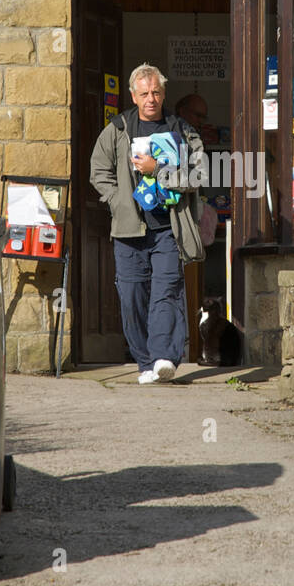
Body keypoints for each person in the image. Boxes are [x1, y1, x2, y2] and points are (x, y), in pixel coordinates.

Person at [90, 64, 207, 384]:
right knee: (132, 295)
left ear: (163, 93)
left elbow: (199, 175)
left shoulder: (181, 129)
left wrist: (159, 170)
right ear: (133, 95)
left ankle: (164, 358)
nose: (151, 99)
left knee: (166, 291)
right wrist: (118, 201)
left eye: (156, 92)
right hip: (130, 229)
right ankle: (144, 362)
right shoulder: (117, 129)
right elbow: (98, 171)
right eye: (144, 94)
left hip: (169, 228)